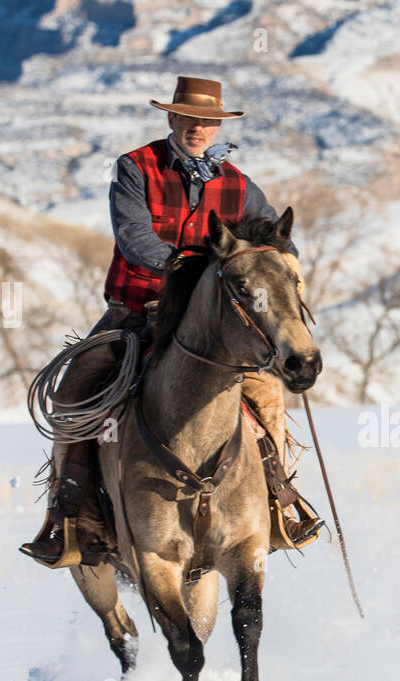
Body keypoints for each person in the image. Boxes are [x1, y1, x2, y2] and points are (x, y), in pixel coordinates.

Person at [20, 76, 321, 568]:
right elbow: (134, 236)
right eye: (190, 118)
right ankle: (70, 511)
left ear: (218, 125)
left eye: (209, 121)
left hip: (213, 326)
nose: (199, 127)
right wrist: (191, 273)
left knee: (266, 393)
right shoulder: (136, 168)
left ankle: (276, 497)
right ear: (172, 118)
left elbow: (275, 242)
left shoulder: (239, 185)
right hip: (136, 311)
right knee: (79, 384)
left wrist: (280, 267)